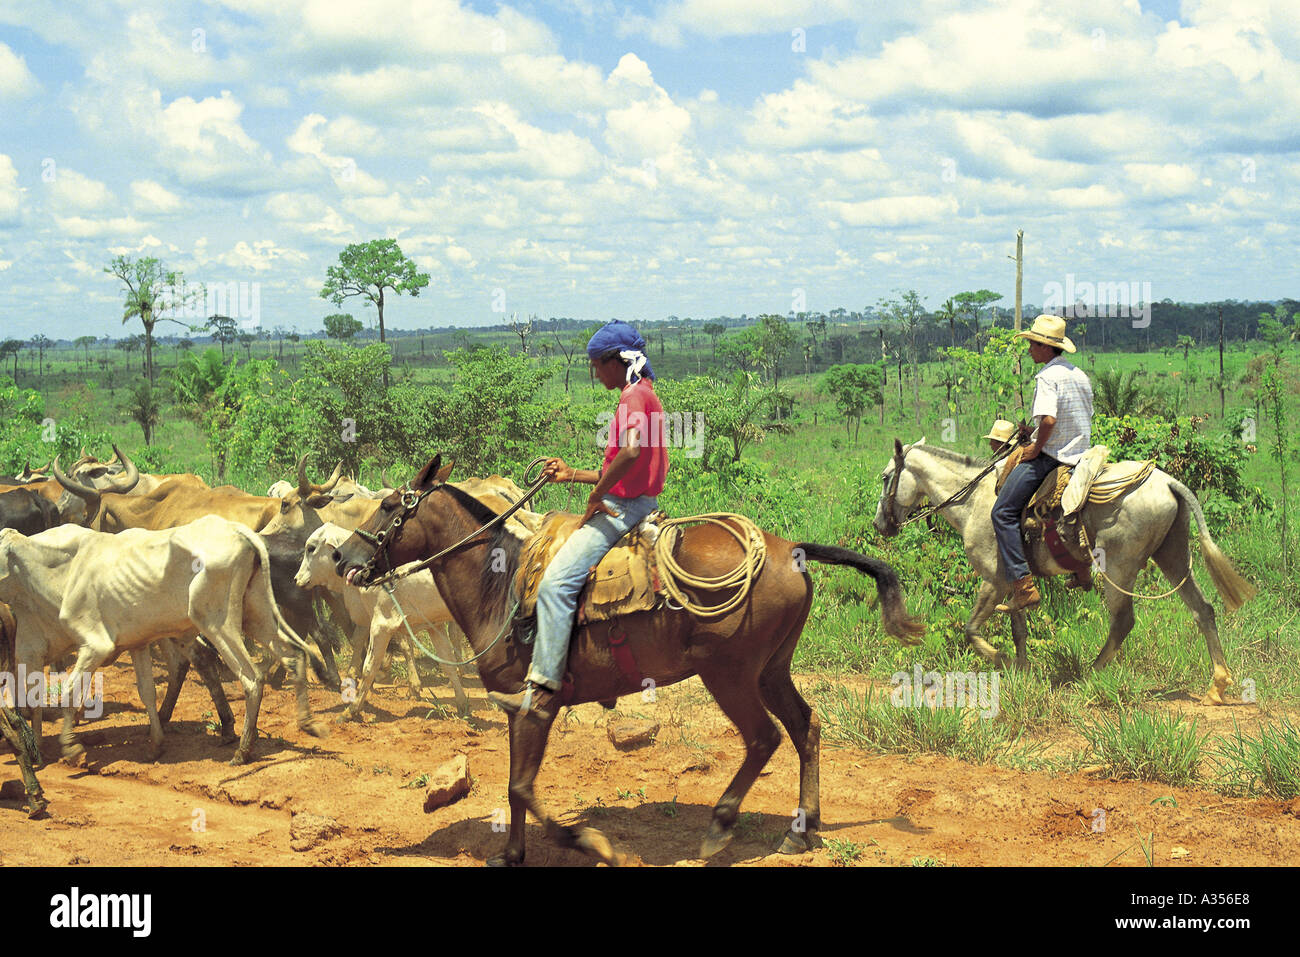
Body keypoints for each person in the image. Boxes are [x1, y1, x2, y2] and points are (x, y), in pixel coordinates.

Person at [489, 320, 668, 722]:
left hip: (626, 508)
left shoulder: (630, 397)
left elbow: (632, 452)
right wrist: (573, 474)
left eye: (595, 366)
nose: (594, 373)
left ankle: (543, 689)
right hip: (639, 499)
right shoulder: (646, 393)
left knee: (554, 585)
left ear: (614, 361)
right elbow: (623, 465)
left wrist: (595, 495)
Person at [992, 315, 1094, 610]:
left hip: (1053, 457)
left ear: (1047, 348)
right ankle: (1081, 568)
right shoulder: (1079, 375)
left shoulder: (1047, 377)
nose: (1029, 350)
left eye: (1033, 344)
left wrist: (1036, 446)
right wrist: (1034, 432)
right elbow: (1067, 420)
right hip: (1081, 455)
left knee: (1002, 512)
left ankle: (1023, 587)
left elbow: (1050, 419)